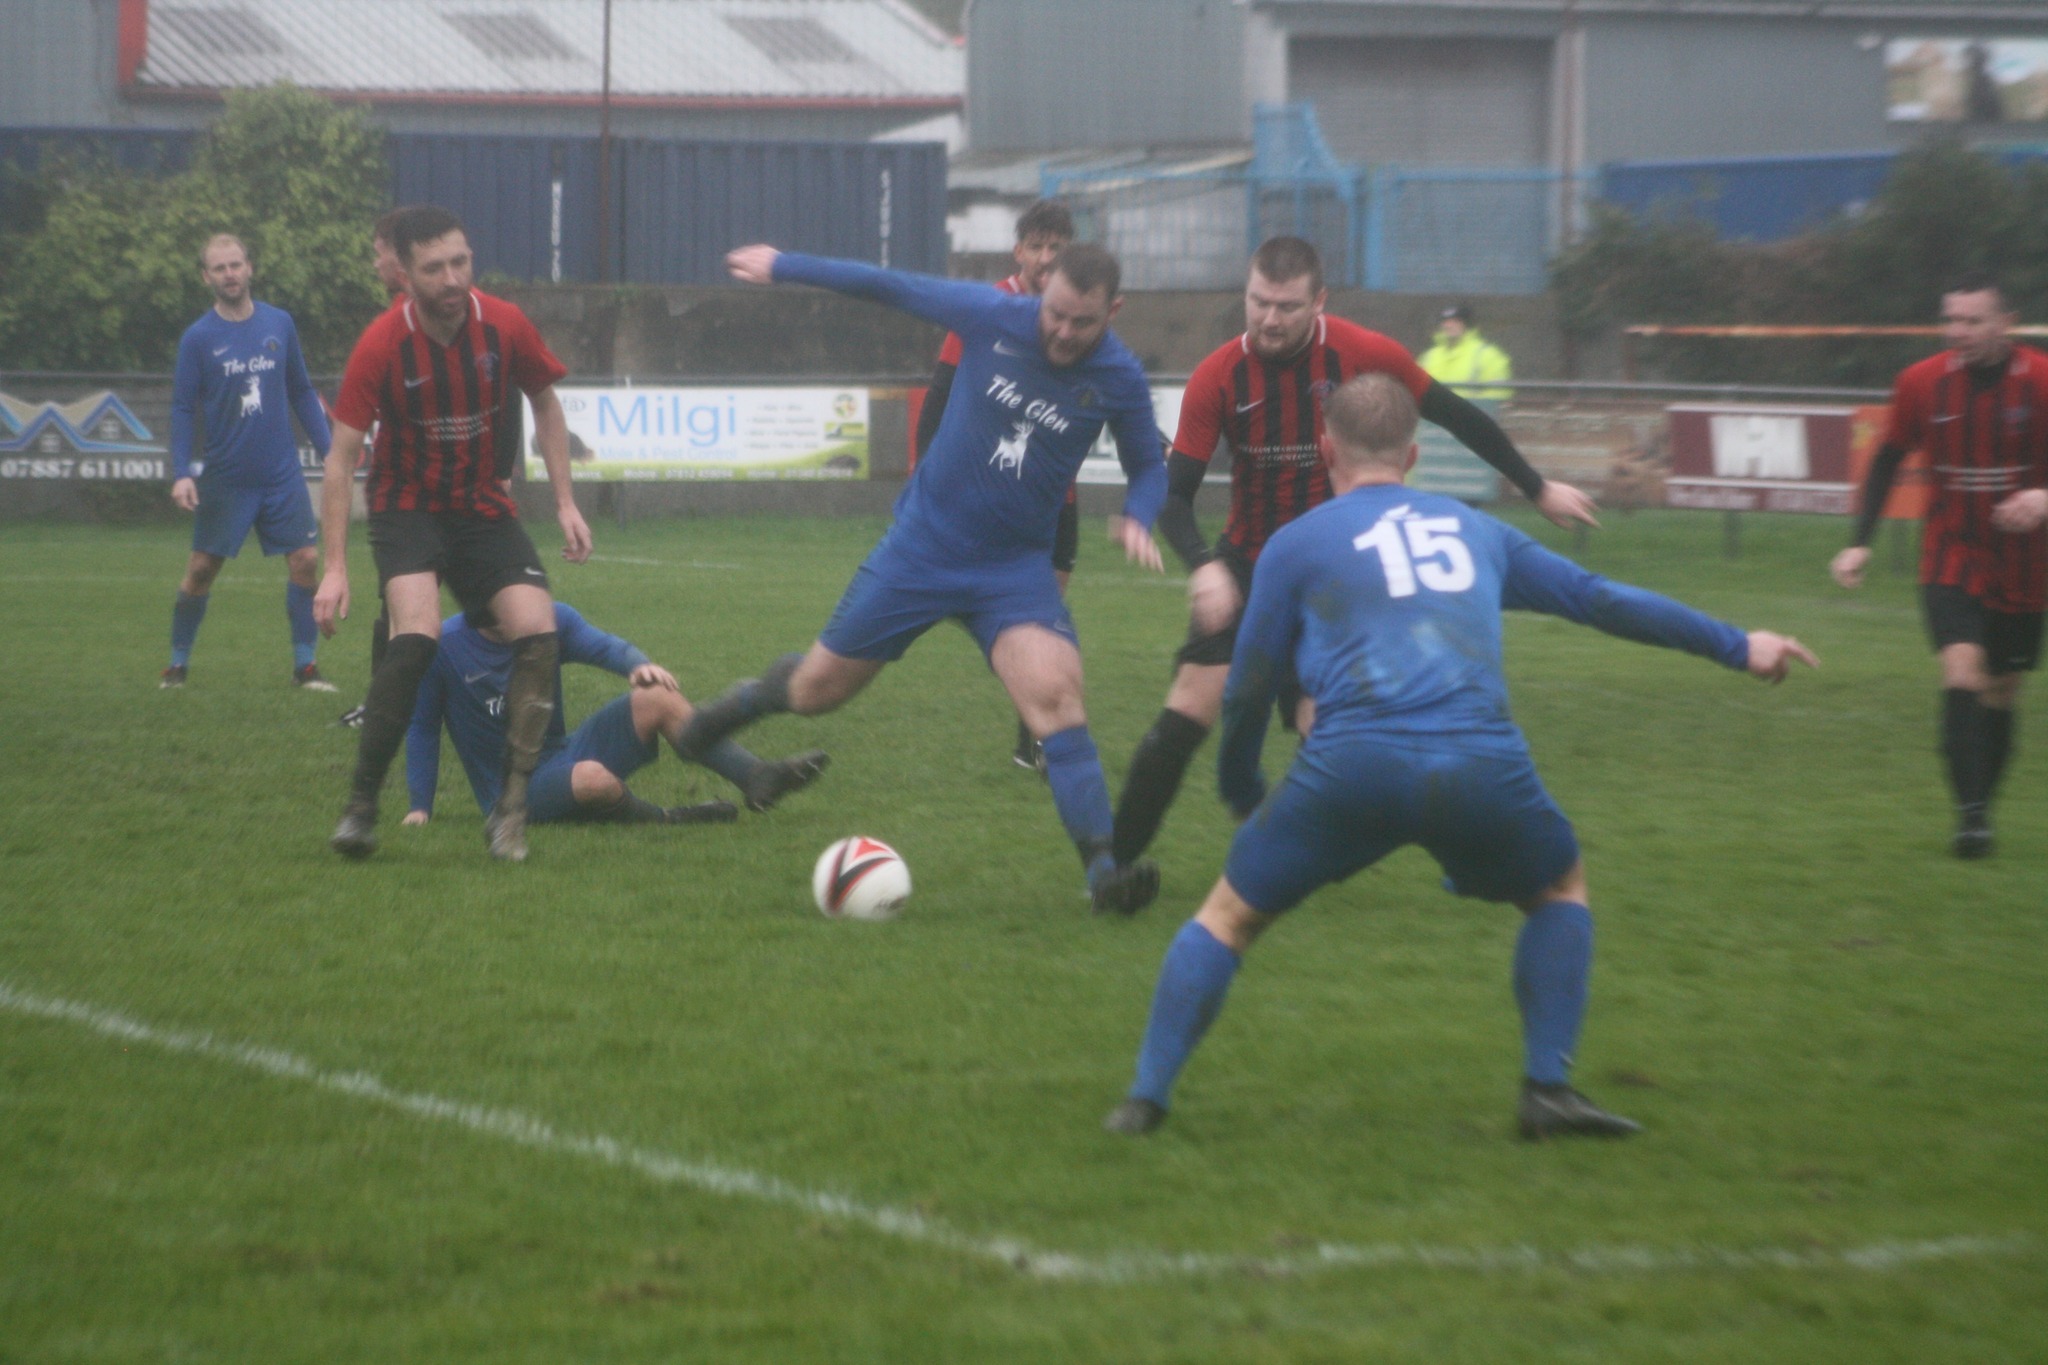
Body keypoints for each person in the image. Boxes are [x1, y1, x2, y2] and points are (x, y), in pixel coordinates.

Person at [1104, 374, 1817, 1140]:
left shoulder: (1296, 543)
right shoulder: (1476, 529)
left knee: (1227, 917)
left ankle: (1144, 1099)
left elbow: (1246, 687)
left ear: (1324, 450)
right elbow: (1599, 599)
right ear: (1412, 454)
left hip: (1353, 766)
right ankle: (1547, 1087)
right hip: (1481, 763)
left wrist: (1241, 782)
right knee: (1557, 888)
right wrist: (1739, 644)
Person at [682, 241, 1170, 913]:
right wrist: (787, 265)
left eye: (1081, 322)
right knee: (817, 690)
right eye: (1054, 312)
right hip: (923, 547)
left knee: (1057, 701)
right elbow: (886, 283)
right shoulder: (992, 315)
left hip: (1012, 570)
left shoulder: (1118, 376)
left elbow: (1148, 464)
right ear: (1042, 290)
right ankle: (718, 717)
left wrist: (1139, 514)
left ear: (1112, 311)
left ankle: (1104, 877)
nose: (1062, 331)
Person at [1111, 238, 1597, 870]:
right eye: (1259, 302)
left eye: (1287, 306)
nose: (1269, 319)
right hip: (1250, 564)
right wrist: (1203, 564)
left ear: (1320, 301)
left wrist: (1536, 487)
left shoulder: (1365, 354)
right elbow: (1175, 497)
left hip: (1338, 573)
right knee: (1188, 710)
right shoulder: (1217, 376)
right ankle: (1113, 869)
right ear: (1246, 294)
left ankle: (1319, 851)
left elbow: (1455, 415)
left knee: (1333, 732)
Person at [313, 204, 595, 863]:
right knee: (415, 637)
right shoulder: (382, 343)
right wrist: (334, 565)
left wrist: (565, 503)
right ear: (404, 274)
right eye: (434, 267)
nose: (451, 277)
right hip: (407, 506)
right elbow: (340, 456)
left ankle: (510, 810)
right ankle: (361, 806)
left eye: (460, 261)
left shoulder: (504, 324)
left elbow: (545, 401)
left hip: (478, 506)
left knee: (538, 629)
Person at [1831, 275, 2048, 858]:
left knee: (2002, 689)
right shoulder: (1922, 384)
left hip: (2028, 563)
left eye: (1974, 321)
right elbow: (1886, 460)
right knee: (1962, 675)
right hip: (1951, 551)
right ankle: (1971, 816)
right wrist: (1860, 543)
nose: (1960, 332)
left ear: (2006, 322)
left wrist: (2044, 498)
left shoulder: (2043, 382)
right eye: (1952, 320)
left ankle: (1982, 804)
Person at [403, 602, 828, 828]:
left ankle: (756, 777)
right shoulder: (443, 646)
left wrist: (637, 665)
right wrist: (420, 806)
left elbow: (604, 645)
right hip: (510, 791)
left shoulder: (549, 620)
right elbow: (422, 728)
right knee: (592, 779)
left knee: (657, 697)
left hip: (562, 753)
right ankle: (668, 820)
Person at [914, 199, 1080, 775]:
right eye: (1036, 246)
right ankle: (1036, 725)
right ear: (1019, 252)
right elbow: (940, 395)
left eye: (1057, 247)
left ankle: (1029, 739)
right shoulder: (989, 307)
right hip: (990, 491)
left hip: (1057, 492)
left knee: (1045, 611)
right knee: (1019, 616)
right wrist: (925, 478)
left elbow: (1103, 388)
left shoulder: (1081, 313)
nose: (1045, 257)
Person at [159, 233, 336, 691]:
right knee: (200, 570)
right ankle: (176, 665)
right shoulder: (198, 338)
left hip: (280, 473)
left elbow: (300, 389)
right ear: (206, 277)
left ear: (250, 268)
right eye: (219, 268)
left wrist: (331, 449)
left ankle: (306, 668)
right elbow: (182, 407)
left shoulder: (279, 323)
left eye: (235, 264)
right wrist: (182, 472)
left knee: (306, 560)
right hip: (226, 478)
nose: (229, 274)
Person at [337, 207, 416, 728]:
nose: (374, 264)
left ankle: (389, 707)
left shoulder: (424, 315)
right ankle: (383, 703)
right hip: (404, 486)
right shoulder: (393, 317)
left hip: (425, 486)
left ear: (398, 254)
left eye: (378, 252)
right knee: (395, 598)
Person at [1417, 303, 1513, 400]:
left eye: (1456, 321)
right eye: (1445, 321)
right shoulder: (1429, 356)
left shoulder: (1489, 355)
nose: (1449, 325)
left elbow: (1499, 393)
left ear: (1467, 325)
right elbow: (1415, 388)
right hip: (1433, 413)